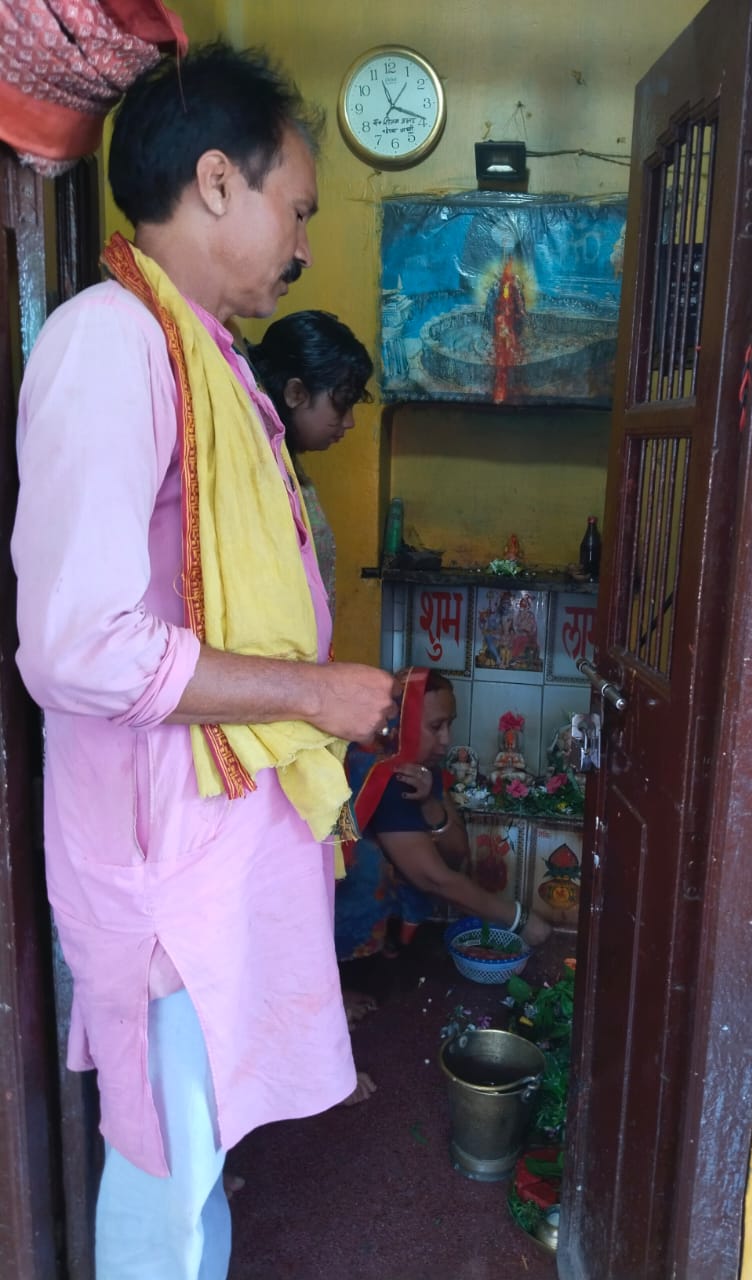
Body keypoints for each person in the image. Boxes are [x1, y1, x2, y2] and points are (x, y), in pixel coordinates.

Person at [10, 42, 398, 1280]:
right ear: (219, 182)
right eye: (297, 208)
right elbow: (77, 645)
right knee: (165, 1177)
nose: (299, 244)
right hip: (159, 864)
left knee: (195, 1167)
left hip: (209, 850)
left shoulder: (210, 356)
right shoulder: (108, 344)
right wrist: (310, 690)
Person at [335, 667, 553, 964]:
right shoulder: (385, 775)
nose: (446, 739)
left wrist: (430, 806)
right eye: (435, 727)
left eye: (449, 725)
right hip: (338, 926)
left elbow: (458, 853)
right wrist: (520, 919)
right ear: (403, 723)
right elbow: (432, 878)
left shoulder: (419, 769)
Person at [247, 309, 373, 623]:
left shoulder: (284, 462)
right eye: (342, 404)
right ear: (296, 394)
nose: (349, 422)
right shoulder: (255, 468)